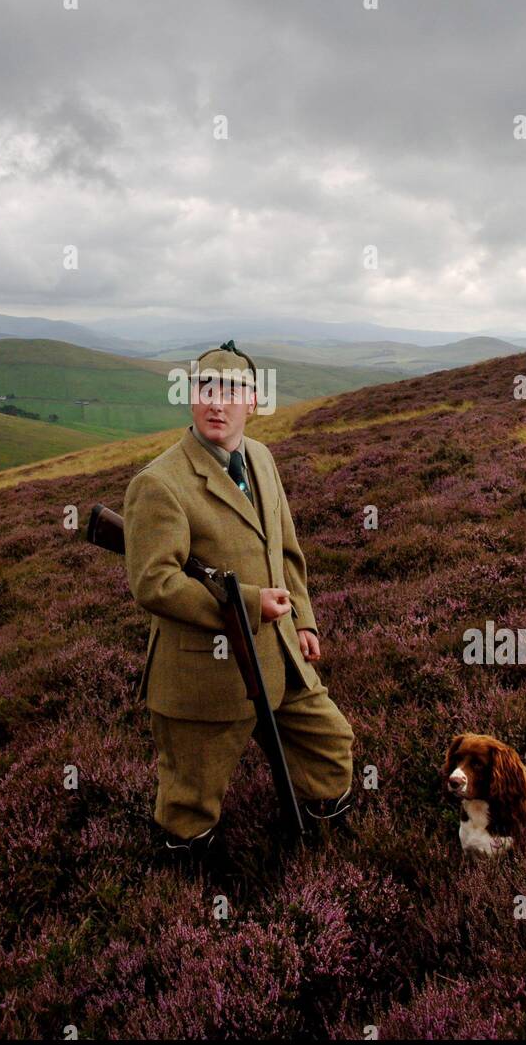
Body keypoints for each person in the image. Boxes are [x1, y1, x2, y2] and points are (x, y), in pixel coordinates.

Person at [123, 340, 355, 869]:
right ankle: (184, 911)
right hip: (202, 675)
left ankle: (326, 869)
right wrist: (250, 604)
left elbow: (286, 549)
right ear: (189, 398)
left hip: (279, 654)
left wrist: (303, 620)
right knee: (190, 801)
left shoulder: (262, 459)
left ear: (253, 402)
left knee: (330, 745)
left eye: (232, 391)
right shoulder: (159, 483)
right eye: (205, 389)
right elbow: (153, 582)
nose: (216, 403)